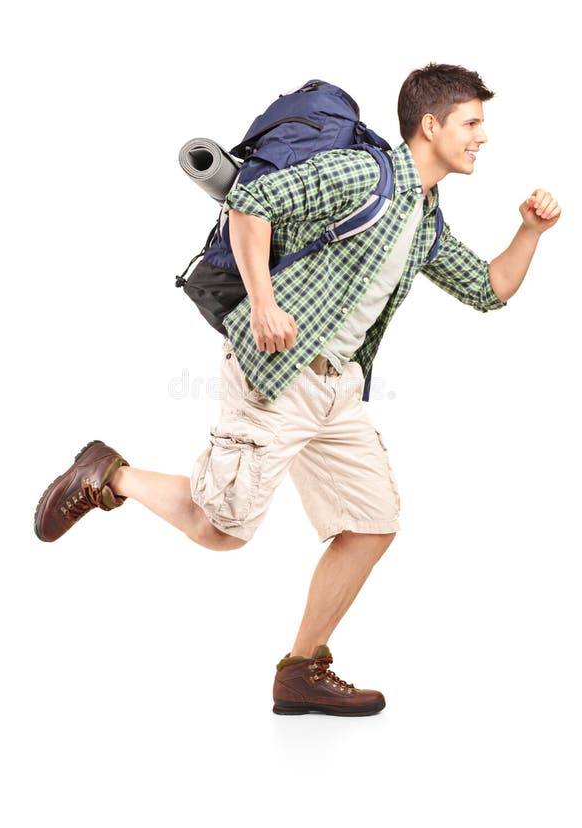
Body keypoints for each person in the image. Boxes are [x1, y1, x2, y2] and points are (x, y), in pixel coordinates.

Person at [34, 64, 561, 717]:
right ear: (431, 125)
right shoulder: (367, 176)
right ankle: (109, 474)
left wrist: (531, 233)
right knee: (220, 528)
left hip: (338, 392)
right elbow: (250, 204)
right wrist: (262, 304)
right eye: (472, 123)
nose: (482, 136)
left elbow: (490, 289)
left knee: (370, 523)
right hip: (278, 369)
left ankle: (301, 670)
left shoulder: (423, 215)